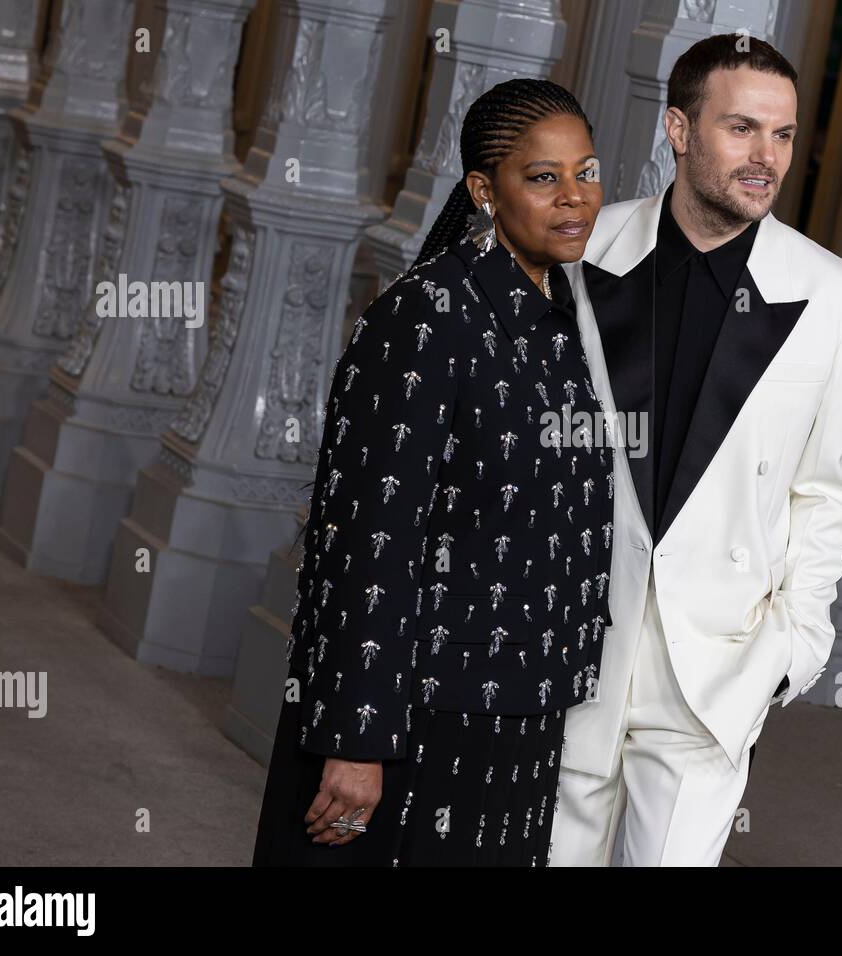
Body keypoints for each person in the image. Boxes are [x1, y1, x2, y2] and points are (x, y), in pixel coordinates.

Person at [253, 78, 609, 867]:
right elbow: (366, 540)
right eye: (543, 177)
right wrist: (355, 743)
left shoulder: (561, 317)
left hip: (521, 713)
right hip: (415, 715)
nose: (575, 198)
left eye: (586, 172)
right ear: (485, 189)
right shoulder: (426, 318)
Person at [550, 34, 842, 866]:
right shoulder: (581, 250)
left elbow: (826, 489)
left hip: (717, 664)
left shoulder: (837, 297)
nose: (766, 157)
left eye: (784, 135)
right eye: (741, 129)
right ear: (679, 129)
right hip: (572, 640)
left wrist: (794, 649)